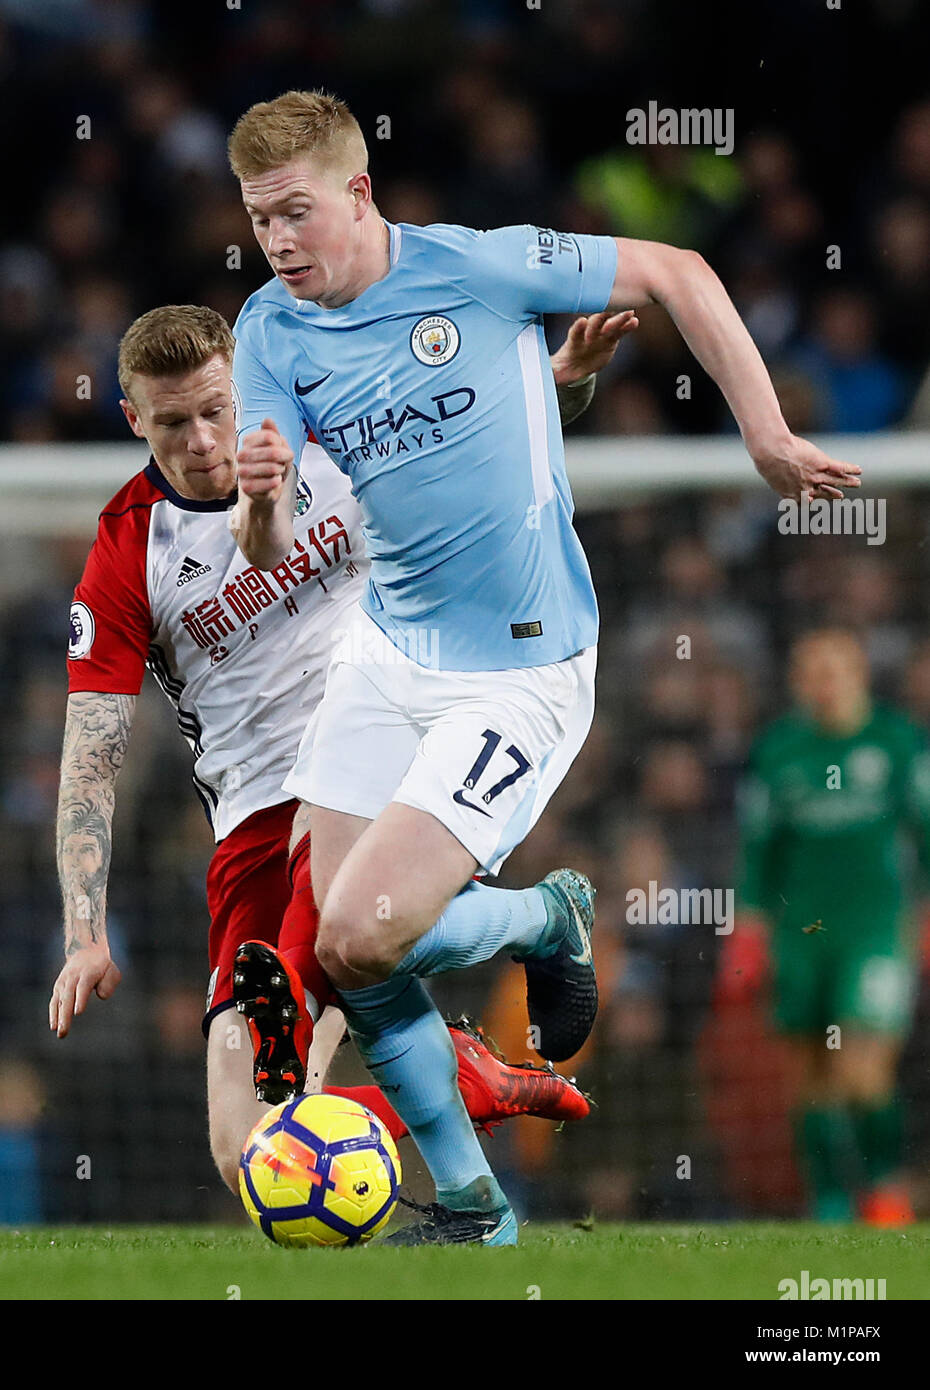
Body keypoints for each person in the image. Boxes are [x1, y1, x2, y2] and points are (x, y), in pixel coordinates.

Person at [226, 89, 860, 1244]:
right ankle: (475, 1209)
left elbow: (676, 270)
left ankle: (541, 920)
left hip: (520, 671)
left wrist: (761, 433)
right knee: (335, 942)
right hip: (383, 653)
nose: (274, 241)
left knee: (366, 930)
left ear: (358, 193)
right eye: (257, 218)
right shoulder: (267, 329)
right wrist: (261, 502)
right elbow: (257, 537)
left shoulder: (480, 268)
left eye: (293, 212)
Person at [48, 302, 619, 1202]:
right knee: (249, 1155)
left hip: (383, 745)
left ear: (243, 385)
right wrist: (84, 933)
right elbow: (91, 758)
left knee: (314, 981)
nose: (203, 441)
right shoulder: (127, 553)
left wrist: (568, 379)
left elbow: (501, 426)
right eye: (172, 424)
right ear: (133, 420)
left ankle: (446, 1009)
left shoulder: (330, 431)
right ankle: (474, 1048)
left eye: (216, 410)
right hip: (251, 814)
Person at [735, 629, 930, 1223]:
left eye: (833, 670)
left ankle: (884, 1188)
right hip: (800, 935)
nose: (821, 683)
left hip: (874, 931)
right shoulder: (779, 752)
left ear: (858, 674)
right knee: (808, 1076)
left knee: (862, 1068)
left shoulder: (897, 744)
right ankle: (831, 1204)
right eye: (809, 670)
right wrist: (747, 931)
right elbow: (758, 852)